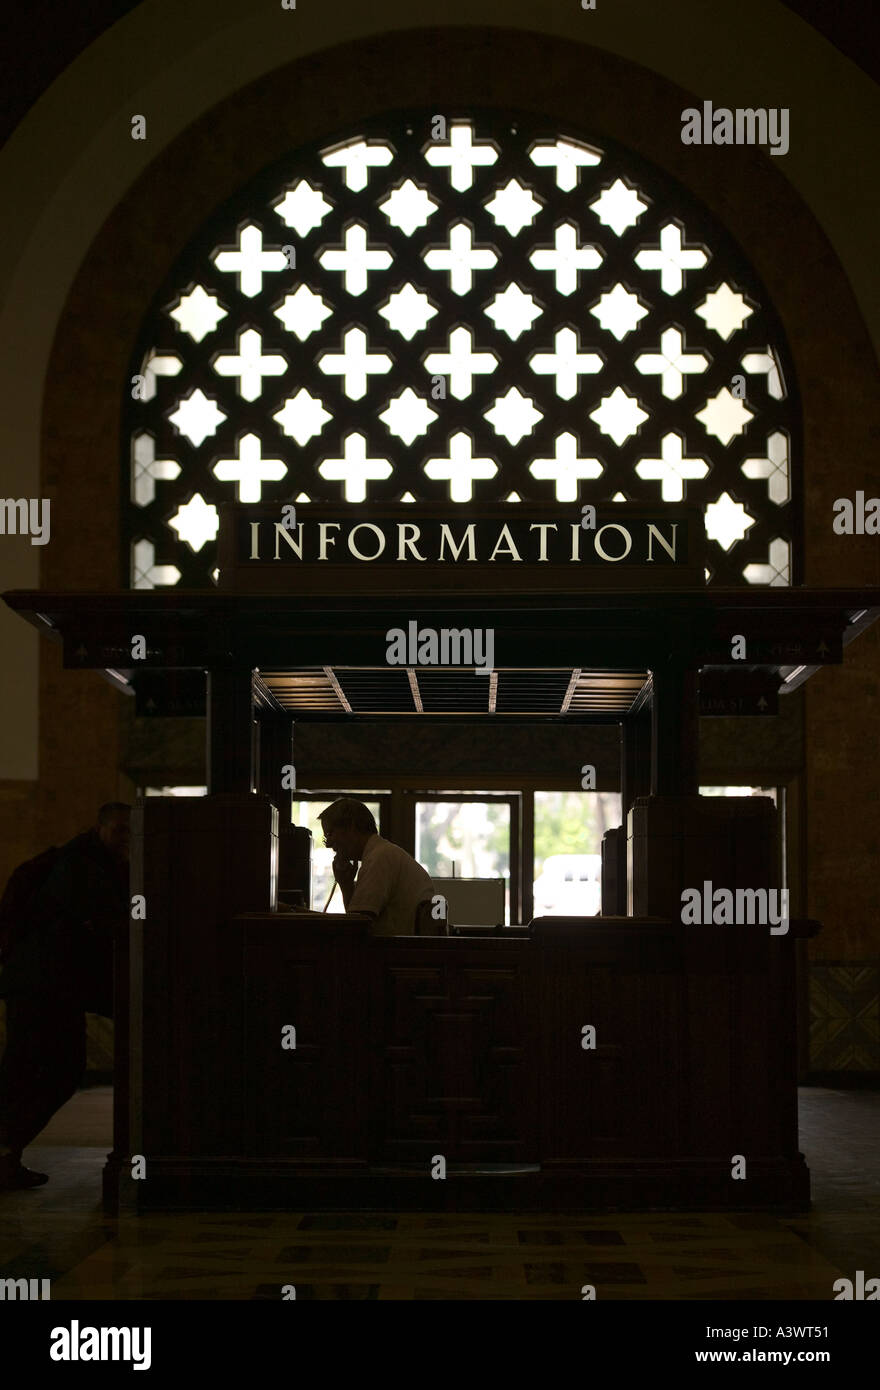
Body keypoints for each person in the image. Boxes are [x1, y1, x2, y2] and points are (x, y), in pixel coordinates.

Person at [0, 802, 131, 1191]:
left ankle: (8, 1156)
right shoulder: (83, 867)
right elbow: (99, 934)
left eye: (130, 831)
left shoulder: (85, 862)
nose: (125, 838)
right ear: (101, 828)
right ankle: (7, 1154)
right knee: (51, 1070)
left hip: (38, 986)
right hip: (45, 990)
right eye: (119, 830)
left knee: (29, 1071)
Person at [318, 798, 434, 936]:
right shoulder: (382, 853)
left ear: (351, 826)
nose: (329, 844)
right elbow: (358, 922)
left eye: (330, 834)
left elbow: (357, 928)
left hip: (396, 953)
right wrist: (346, 885)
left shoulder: (379, 857)